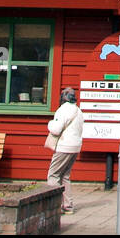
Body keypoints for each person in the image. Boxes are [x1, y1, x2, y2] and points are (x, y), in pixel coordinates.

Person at [46, 86, 85, 214]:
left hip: (64, 146)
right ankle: (68, 206)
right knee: (65, 176)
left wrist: (50, 124)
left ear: (63, 97)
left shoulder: (62, 110)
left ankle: (54, 206)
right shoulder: (78, 111)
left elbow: (56, 129)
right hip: (75, 146)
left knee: (54, 175)